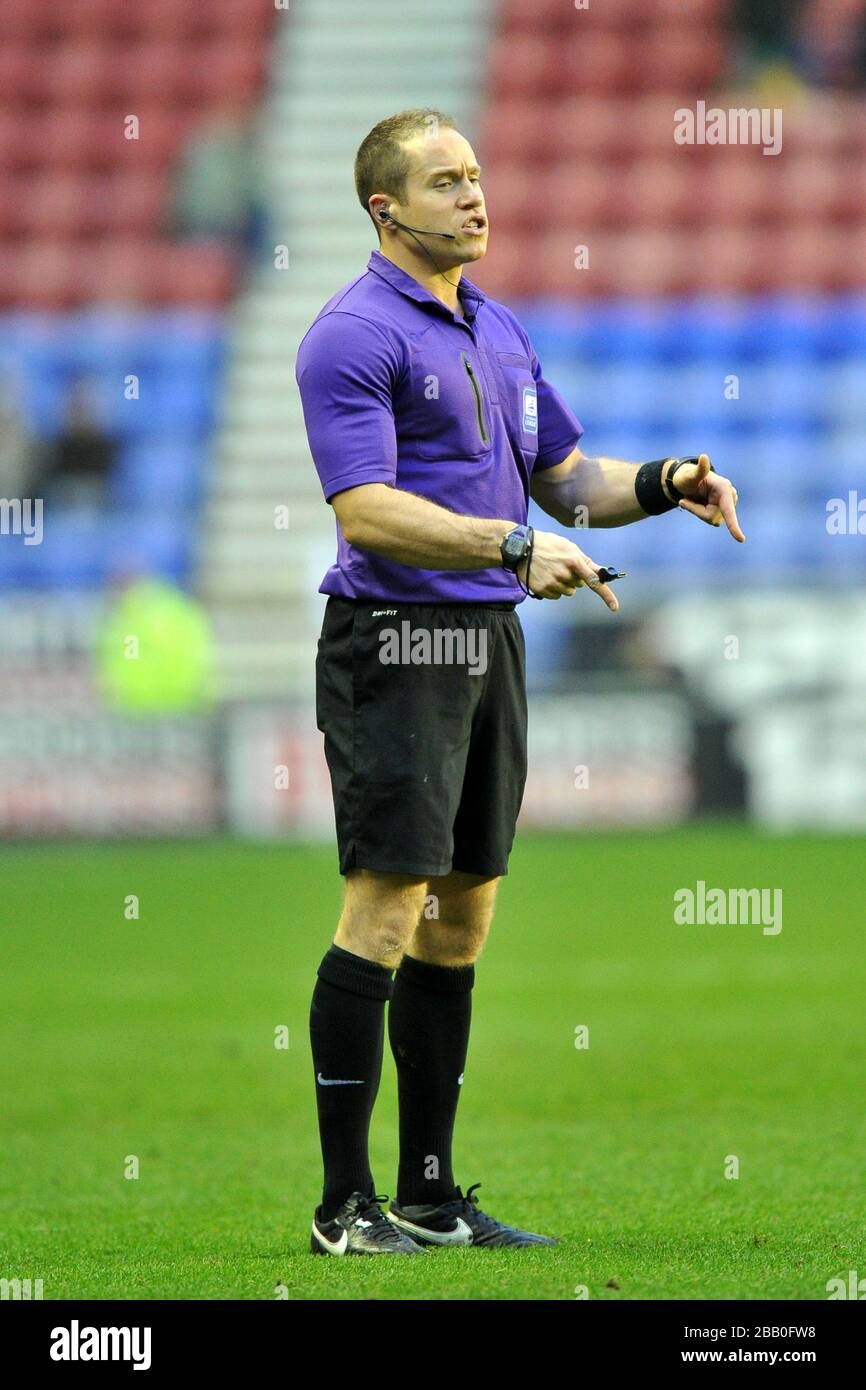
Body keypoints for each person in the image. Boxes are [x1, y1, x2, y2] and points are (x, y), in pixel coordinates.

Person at [295, 108, 743, 1257]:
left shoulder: (497, 331)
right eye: (444, 181)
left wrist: (664, 478)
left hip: (485, 641)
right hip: (395, 638)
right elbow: (366, 508)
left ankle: (431, 1196)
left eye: (477, 175)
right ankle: (344, 1209)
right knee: (387, 905)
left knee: (460, 920)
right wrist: (506, 546)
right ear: (382, 207)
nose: (474, 196)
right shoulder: (348, 336)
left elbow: (566, 482)